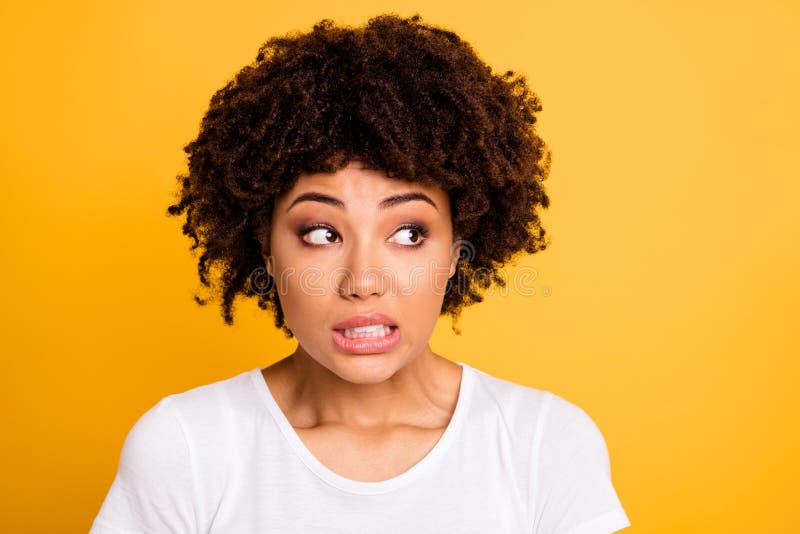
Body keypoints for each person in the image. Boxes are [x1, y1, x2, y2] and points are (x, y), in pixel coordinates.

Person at [89, 13, 631, 534]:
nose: (363, 281)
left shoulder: (544, 444)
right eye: (321, 233)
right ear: (267, 252)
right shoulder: (185, 448)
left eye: (409, 233)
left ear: (455, 251)